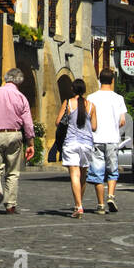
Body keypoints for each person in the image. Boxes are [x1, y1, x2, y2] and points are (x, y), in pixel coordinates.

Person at [0, 69, 36, 215]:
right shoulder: (21, 97)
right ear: (19, 82)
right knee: (13, 172)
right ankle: (10, 205)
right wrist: (31, 143)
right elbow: (28, 123)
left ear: (5, 78)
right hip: (14, 135)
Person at [87, 69, 128, 215]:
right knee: (112, 171)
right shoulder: (118, 98)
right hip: (112, 138)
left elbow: (87, 119)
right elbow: (122, 121)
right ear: (112, 81)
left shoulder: (91, 98)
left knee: (97, 172)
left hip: (96, 138)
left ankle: (100, 204)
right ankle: (111, 196)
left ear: (99, 79)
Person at [55, 79, 97, 217]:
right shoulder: (91, 106)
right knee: (82, 177)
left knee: (74, 175)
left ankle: (78, 206)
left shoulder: (68, 103)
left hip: (71, 143)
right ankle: (79, 204)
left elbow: (58, 122)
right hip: (86, 144)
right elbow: (95, 127)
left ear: (73, 89)